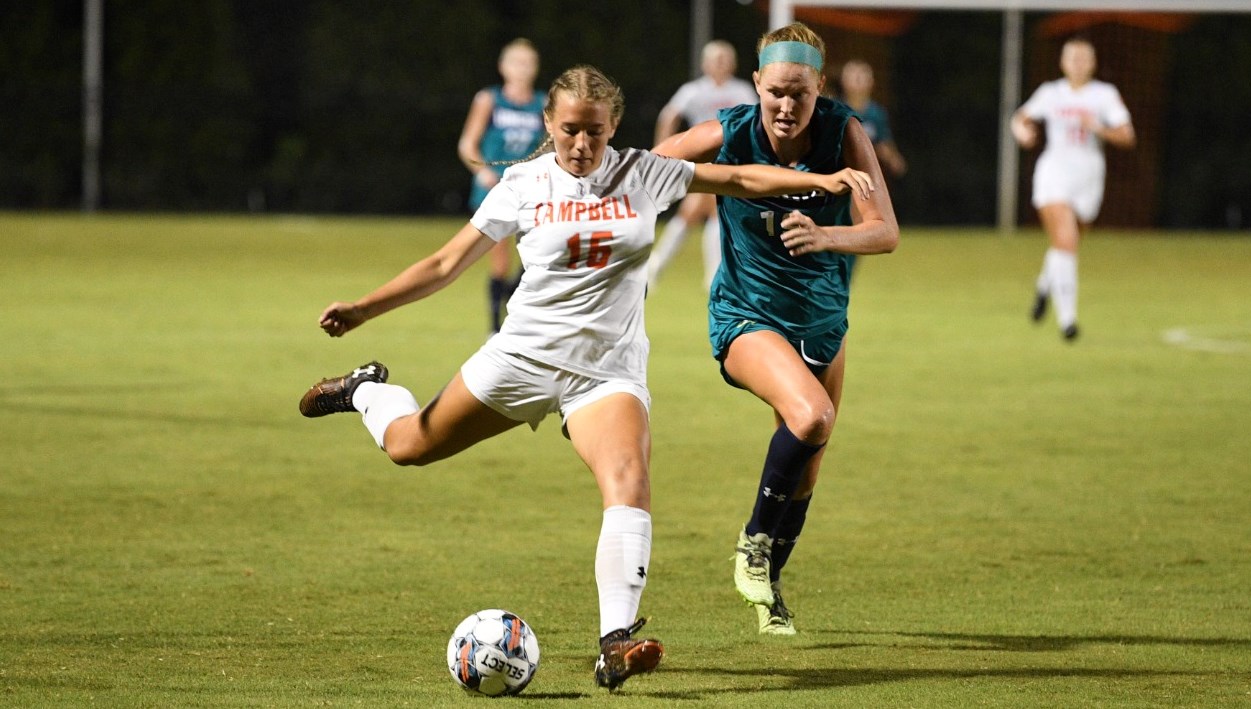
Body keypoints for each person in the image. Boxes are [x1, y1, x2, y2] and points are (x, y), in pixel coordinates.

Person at [298, 65, 874, 688]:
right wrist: (363, 309)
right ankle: (365, 389)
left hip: (606, 374)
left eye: (595, 133)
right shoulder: (523, 183)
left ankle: (615, 643)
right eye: (570, 130)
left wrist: (817, 178)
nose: (581, 145)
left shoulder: (643, 173)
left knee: (629, 482)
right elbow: (443, 264)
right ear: (550, 124)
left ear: (613, 128)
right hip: (521, 359)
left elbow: (735, 177)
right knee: (409, 445)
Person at [654, 22, 899, 636]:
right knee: (813, 416)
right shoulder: (730, 131)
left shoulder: (844, 132)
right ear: (756, 83)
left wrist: (828, 236)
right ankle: (753, 546)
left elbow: (885, 230)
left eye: (801, 93)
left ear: (821, 85)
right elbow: (651, 163)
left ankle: (770, 595)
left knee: (808, 469)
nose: (787, 106)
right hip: (747, 316)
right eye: (776, 93)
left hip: (822, 321)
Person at [1011, 36, 1135, 341]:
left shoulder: (1104, 95)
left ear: (1093, 63)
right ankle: (1068, 321)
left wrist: (1098, 128)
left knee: (1067, 243)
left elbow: (1127, 135)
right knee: (1066, 240)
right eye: (1073, 58)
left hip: (1089, 175)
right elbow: (1020, 117)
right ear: (1063, 63)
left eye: (1084, 58)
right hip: (1054, 172)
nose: (1078, 63)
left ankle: (1044, 285)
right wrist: (1022, 133)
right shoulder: (1051, 93)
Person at [647, 40, 758, 291]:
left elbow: (759, 121)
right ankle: (710, 275)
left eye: (725, 59)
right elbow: (669, 116)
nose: (721, 64)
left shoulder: (742, 90)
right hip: (702, 160)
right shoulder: (695, 90)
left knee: (699, 211)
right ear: (705, 64)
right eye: (717, 59)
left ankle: (658, 265)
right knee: (705, 210)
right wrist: (662, 152)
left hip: (732, 161)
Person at [457, 38, 546, 333]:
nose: (522, 69)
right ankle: (495, 326)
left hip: (530, 189)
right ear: (503, 67)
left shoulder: (542, 104)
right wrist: (481, 170)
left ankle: (515, 302)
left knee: (538, 255)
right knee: (499, 259)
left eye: (528, 63)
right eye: (516, 63)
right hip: (494, 187)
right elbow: (468, 143)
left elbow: (550, 146)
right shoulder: (490, 100)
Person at [838, 59, 907, 179]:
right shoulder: (835, 110)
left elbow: (884, 142)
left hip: (868, 175)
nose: (858, 81)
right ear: (843, 81)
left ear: (871, 82)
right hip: (839, 172)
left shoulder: (877, 113)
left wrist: (893, 158)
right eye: (854, 77)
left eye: (862, 77)